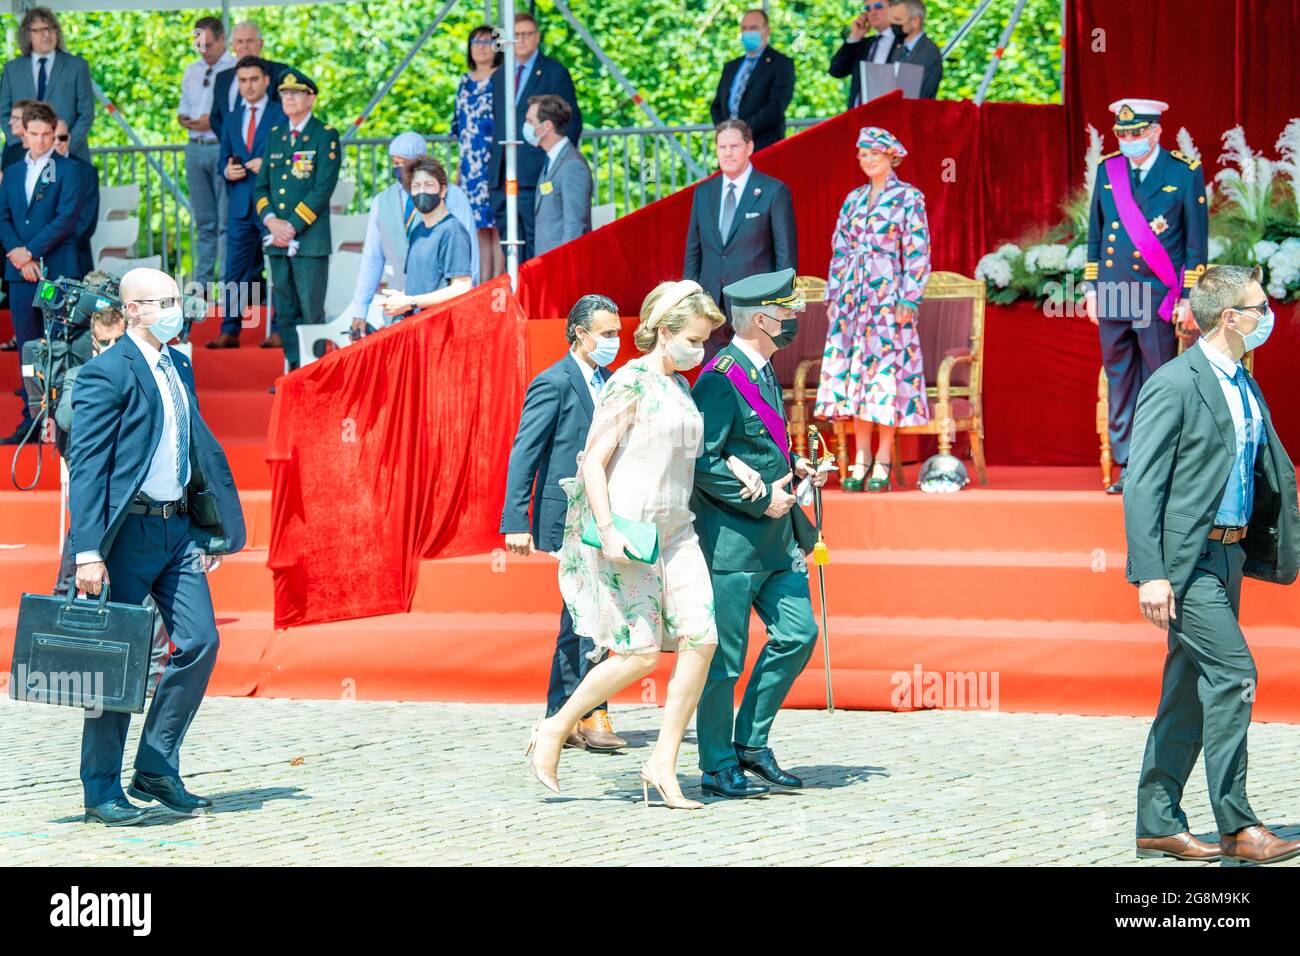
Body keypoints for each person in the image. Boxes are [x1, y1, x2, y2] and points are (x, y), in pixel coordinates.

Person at [1125, 265, 1300, 866]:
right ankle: (1238, 826)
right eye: (1258, 307)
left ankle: (1157, 823)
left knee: (1187, 694)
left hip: (1227, 553)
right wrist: (1150, 572)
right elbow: (1142, 484)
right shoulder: (1176, 382)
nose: (1266, 315)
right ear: (1230, 318)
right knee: (1233, 675)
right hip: (1186, 563)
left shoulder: (1241, 381)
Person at [527, 280, 725, 808]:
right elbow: (592, 459)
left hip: (677, 531)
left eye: (705, 340)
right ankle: (556, 726)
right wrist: (608, 528)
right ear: (663, 332)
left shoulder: (682, 388)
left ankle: (662, 762)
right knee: (637, 654)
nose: (698, 349)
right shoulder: (629, 382)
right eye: (692, 338)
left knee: (702, 637)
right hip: (631, 533)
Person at [67, 267, 246, 827]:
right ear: (135, 310)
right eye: (164, 301)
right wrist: (87, 550)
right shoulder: (105, 374)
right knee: (116, 663)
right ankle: (101, 789)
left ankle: (155, 766)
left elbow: (191, 450)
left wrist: (206, 525)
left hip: (175, 530)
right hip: (125, 537)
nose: (176, 308)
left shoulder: (178, 364)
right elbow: (89, 468)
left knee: (199, 641)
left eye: (177, 298)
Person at [691, 268, 825, 799]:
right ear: (763, 318)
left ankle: (750, 742)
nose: (793, 320)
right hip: (732, 541)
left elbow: (759, 441)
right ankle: (716, 760)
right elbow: (703, 460)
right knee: (724, 657)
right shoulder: (720, 377)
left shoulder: (765, 368)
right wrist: (762, 495)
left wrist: (794, 466)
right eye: (786, 312)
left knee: (798, 633)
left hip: (775, 538)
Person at [501, 294, 626, 751]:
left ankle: (564, 710)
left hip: (605, 512)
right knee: (585, 611)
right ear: (580, 333)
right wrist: (516, 520)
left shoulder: (613, 382)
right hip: (567, 512)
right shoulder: (552, 382)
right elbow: (525, 452)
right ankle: (590, 713)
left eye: (617, 333)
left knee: (588, 611)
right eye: (607, 334)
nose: (615, 341)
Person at [1085, 98, 1208, 495]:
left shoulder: (1183, 172)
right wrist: (1090, 289)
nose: (1129, 140)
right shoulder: (1109, 170)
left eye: (1137, 132)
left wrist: (1189, 295)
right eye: (1123, 134)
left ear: (1156, 131)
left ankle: (1163, 464)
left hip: (1157, 294)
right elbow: (1095, 236)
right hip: (1114, 291)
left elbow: (1195, 243)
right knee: (1120, 379)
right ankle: (1128, 465)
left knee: (1159, 380)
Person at [814, 126, 931, 492]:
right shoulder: (853, 199)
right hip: (852, 298)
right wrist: (834, 295)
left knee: (885, 375)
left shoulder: (909, 197)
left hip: (888, 296)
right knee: (857, 377)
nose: (867, 160)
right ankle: (860, 456)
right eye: (862, 155)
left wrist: (909, 298)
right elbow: (839, 251)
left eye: (874, 155)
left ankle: (882, 458)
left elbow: (917, 250)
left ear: (891, 156)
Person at [0, 101, 83, 445]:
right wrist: (19, 255)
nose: (40, 141)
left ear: (53, 133)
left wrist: (30, 250)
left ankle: (60, 421)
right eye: (33, 134)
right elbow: (3, 216)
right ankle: (31, 420)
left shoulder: (69, 170)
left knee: (58, 344)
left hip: (56, 272)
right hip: (20, 273)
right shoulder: (15, 171)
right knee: (27, 348)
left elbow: (66, 219)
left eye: (46, 134)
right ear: (24, 134)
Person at [682, 119, 797, 359]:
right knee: (714, 377)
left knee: (754, 378)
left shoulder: (773, 190)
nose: (727, 153)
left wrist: (781, 303)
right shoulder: (704, 192)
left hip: (757, 304)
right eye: (722, 147)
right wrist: (690, 298)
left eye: (734, 146)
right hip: (711, 303)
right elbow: (693, 251)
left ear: (750, 147)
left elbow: (785, 254)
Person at [252, 68, 341, 369]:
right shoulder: (276, 136)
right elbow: (261, 186)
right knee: (286, 310)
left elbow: (322, 188)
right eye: (284, 94)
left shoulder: (324, 135)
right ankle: (293, 368)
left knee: (310, 310)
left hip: (309, 241)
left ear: (311, 98)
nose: (288, 98)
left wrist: (291, 226)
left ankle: (314, 371)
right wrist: (271, 221)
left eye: (295, 93)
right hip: (277, 240)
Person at [349, 133, 480, 336]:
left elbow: (467, 265)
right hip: (402, 315)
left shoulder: (453, 208)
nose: (400, 169)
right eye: (395, 162)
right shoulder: (382, 202)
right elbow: (372, 258)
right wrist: (360, 308)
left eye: (405, 163)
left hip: (443, 318)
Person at [489, 12, 582, 264]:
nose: (521, 40)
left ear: (537, 37)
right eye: (516, 34)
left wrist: (554, 163)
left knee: (535, 245)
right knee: (509, 244)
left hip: (537, 174)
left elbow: (571, 122)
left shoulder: (554, 72)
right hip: (502, 175)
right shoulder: (499, 75)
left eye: (527, 34)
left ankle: (534, 300)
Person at [208, 55, 285, 349]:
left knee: (277, 267)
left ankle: (279, 328)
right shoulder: (230, 118)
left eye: (254, 79)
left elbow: (287, 157)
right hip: (240, 203)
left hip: (273, 205)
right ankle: (230, 329)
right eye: (242, 80)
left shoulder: (280, 114)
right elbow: (221, 161)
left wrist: (268, 164)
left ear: (266, 81)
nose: (248, 86)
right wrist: (227, 170)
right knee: (234, 271)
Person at [178, 16, 235, 297]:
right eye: (199, 45)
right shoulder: (191, 70)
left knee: (225, 222)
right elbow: (182, 107)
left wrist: (210, 121)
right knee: (204, 222)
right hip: (194, 146)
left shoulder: (235, 69)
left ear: (222, 40)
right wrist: (187, 119)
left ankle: (225, 285)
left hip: (220, 146)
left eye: (209, 45)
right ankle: (200, 288)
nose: (204, 51)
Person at [378, 158, 472, 319]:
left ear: (442, 191)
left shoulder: (452, 230)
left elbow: (462, 287)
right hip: (416, 328)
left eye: (428, 185)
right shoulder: (417, 231)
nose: (422, 191)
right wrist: (401, 298)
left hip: (441, 329)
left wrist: (411, 301)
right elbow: (422, 285)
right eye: (416, 186)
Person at [0, 7, 94, 161]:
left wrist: (67, 143)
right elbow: (3, 112)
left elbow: (86, 113)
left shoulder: (77, 66)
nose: (47, 34)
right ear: (28, 34)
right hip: (21, 155)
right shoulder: (12, 69)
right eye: (39, 30)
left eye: (51, 29)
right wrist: (22, 142)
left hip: (68, 154)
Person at [452, 24, 502, 281]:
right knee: (479, 227)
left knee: (498, 225)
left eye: (487, 42)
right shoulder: (464, 81)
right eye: (476, 42)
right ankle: (483, 280)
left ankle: (500, 278)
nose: (481, 47)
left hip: (495, 161)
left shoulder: (502, 77)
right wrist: (459, 170)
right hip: (470, 165)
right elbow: (458, 129)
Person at [708, 9, 796, 153]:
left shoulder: (781, 64)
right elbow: (717, 106)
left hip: (763, 147)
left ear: (767, 31)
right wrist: (726, 133)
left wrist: (743, 132)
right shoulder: (731, 66)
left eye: (754, 28)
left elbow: (776, 106)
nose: (748, 32)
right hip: (731, 151)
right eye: (744, 28)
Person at [527, 94, 592, 258]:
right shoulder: (552, 161)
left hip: (561, 265)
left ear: (546, 125)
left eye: (530, 121)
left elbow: (575, 224)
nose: (526, 126)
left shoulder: (572, 165)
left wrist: (563, 265)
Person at [210, 21, 287, 145]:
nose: (245, 46)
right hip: (233, 153)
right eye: (240, 41)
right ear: (232, 46)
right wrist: (230, 142)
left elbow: (284, 112)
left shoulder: (279, 72)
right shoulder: (222, 77)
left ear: (261, 44)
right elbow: (215, 117)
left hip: (268, 148)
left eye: (250, 41)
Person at [828, 2, 896, 110]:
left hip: (887, 116)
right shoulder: (863, 43)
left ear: (894, 8)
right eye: (868, 8)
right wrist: (855, 36)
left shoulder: (905, 42)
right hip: (857, 118)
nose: (872, 12)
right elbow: (836, 71)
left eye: (878, 6)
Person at [54, 116, 98, 276]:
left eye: (62, 137)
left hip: (74, 257)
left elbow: (86, 222)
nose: (57, 142)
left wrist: (55, 246)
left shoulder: (87, 172)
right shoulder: (34, 170)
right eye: (53, 137)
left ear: (69, 138)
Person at [886, 0, 943, 100]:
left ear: (915, 22)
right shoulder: (898, 48)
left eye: (897, 20)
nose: (893, 25)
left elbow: (923, 93)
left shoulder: (929, 52)